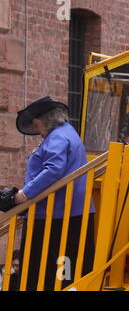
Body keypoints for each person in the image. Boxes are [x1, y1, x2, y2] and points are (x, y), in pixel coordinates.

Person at [14, 96, 95, 291]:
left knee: (38, 273)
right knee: (64, 272)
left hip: (54, 215)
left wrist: (25, 194)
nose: (37, 132)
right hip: (64, 212)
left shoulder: (58, 136)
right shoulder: (67, 133)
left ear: (45, 120)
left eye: (37, 126)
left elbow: (53, 169)